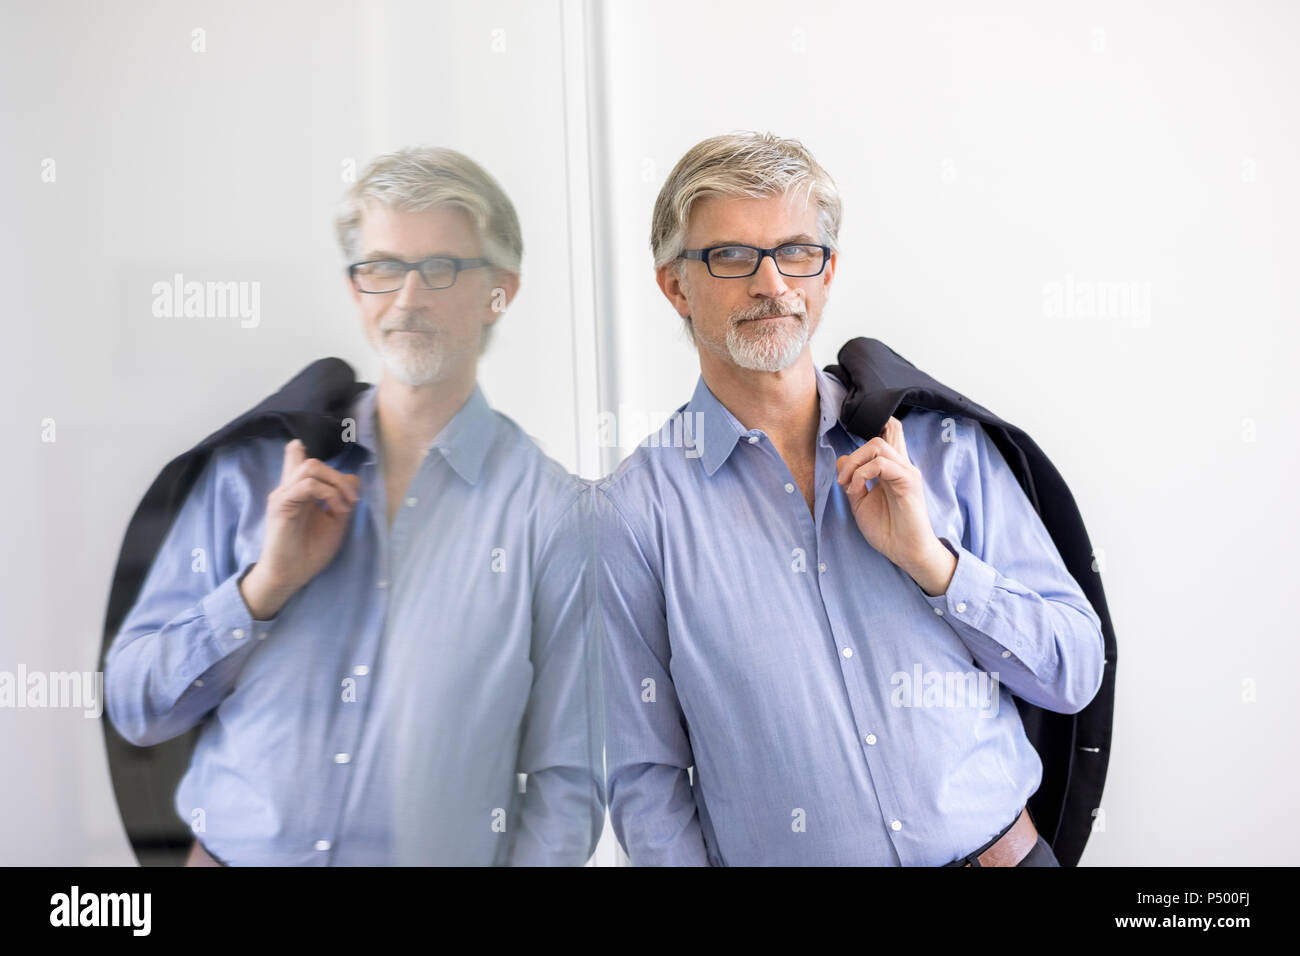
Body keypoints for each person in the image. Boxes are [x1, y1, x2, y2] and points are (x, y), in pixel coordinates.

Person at [594, 131, 1105, 866]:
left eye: (797, 251)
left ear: (827, 273)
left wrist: (935, 565)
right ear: (676, 285)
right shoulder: (633, 516)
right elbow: (645, 780)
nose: (772, 284)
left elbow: (1075, 673)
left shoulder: (939, 444)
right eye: (733, 256)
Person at [106, 146, 602, 865]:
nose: (407, 299)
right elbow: (134, 708)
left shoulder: (554, 518)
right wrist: (261, 591)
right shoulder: (254, 472)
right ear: (355, 286)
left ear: (500, 290)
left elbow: (569, 783)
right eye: (381, 268)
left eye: (440, 268)